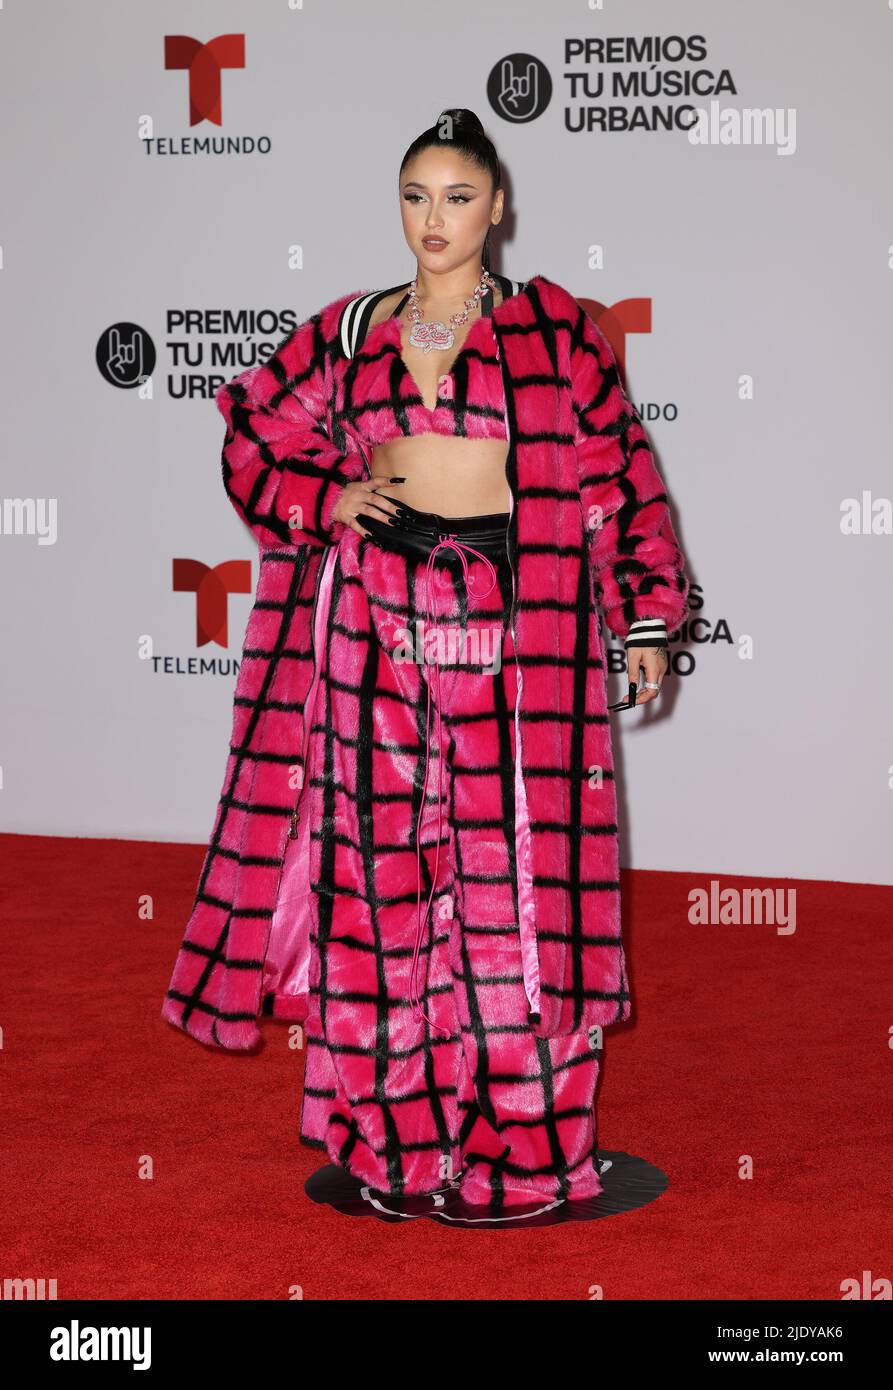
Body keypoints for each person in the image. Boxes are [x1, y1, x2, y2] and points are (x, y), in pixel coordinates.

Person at [162, 107, 691, 1211]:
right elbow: (253, 428)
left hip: (512, 637)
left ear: (497, 206)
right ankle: (397, 1148)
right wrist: (323, 498)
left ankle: (525, 1150)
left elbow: (618, 480)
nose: (433, 219)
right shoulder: (350, 330)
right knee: (376, 886)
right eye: (415, 197)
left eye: (456, 197)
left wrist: (642, 616)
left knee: (515, 900)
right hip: (373, 629)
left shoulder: (555, 339)